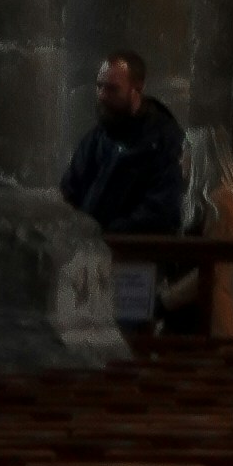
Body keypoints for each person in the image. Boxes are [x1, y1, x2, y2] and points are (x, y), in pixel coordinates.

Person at [62, 45, 189, 337]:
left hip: (136, 260)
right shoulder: (96, 138)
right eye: (100, 87)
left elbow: (162, 208)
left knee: (127, 340)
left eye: (113, 89)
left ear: (137, 89)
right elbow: (71, 188)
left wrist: (107, 232)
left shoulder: (164, 139)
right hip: (90, 258)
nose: (103, 96)